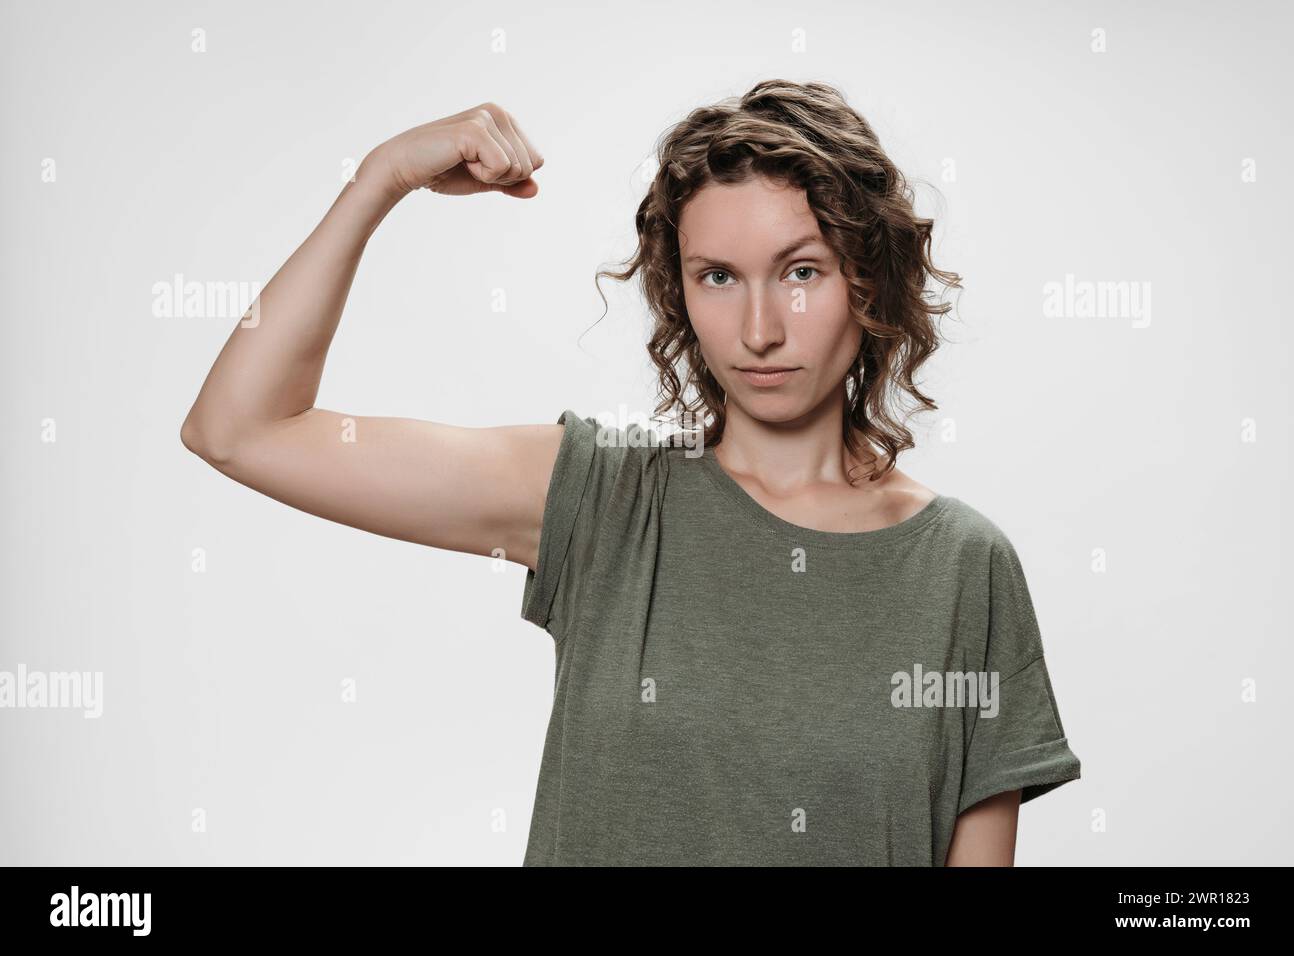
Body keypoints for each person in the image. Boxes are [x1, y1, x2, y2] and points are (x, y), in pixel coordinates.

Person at [181, 80, 1082, 866]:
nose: (760, 328)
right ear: (678, 292)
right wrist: (381, 179)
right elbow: (241, 429)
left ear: (869, 280)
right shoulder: (602, 498)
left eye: (801, 271)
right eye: (719, 276)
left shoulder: (963, 567)